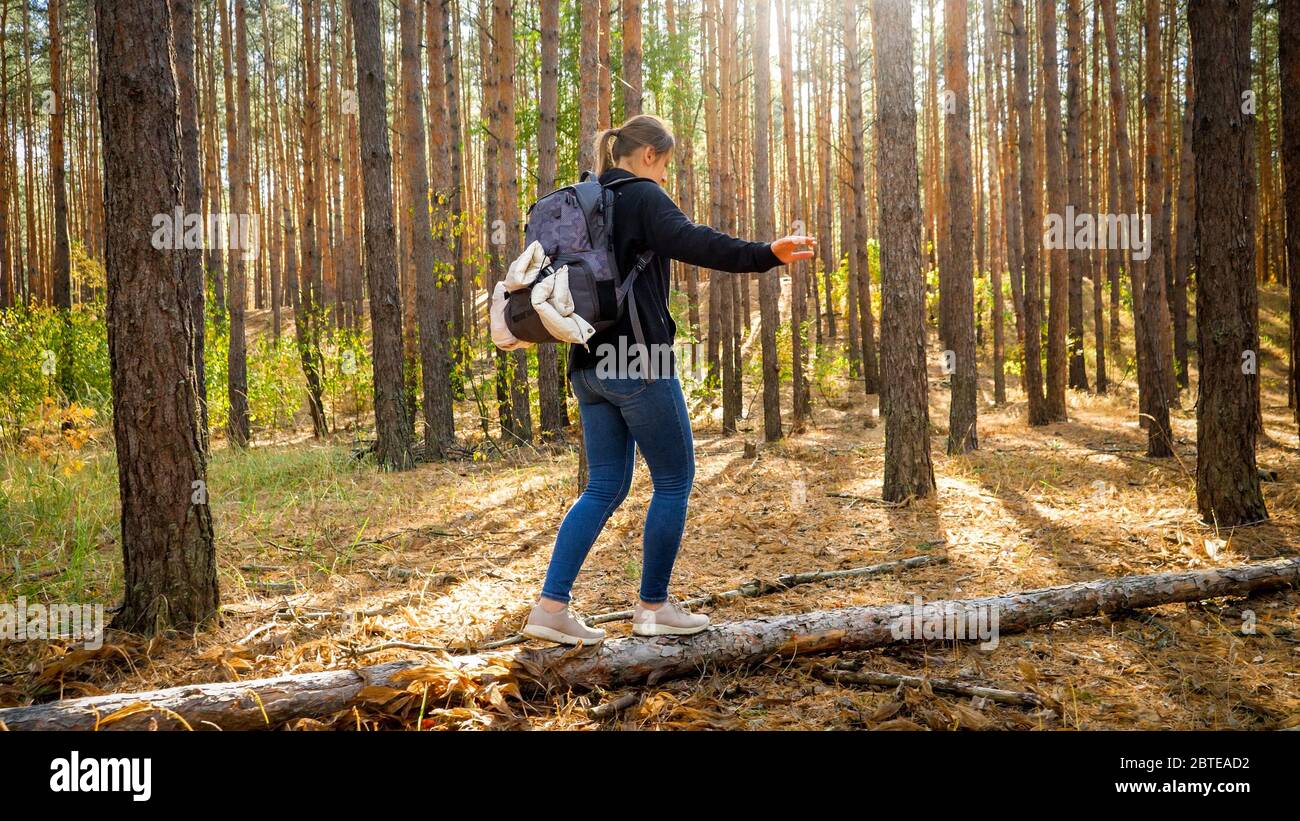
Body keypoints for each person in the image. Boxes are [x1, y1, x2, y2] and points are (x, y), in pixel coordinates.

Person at [521, 114, 815, 645]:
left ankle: (549, 607)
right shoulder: (642, 196)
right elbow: (696, 242)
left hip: (586, 365)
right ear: (650, 155)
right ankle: (653, 606)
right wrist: (766, 254)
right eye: (666, 166)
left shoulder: (584, 199)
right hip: (639, 362)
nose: (665, 178)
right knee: (675, 479)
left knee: (604, 486)